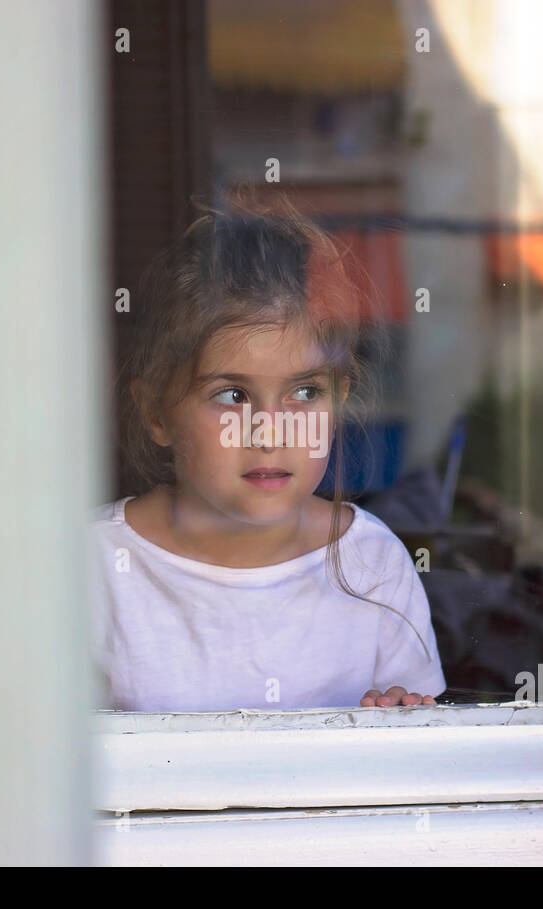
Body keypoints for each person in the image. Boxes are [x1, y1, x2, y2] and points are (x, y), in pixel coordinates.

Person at [91, 193, 445, 712]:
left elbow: (424, 765)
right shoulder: (93, 567)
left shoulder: (373, 562)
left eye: (304, 393)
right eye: (232, 396)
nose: (269, 432)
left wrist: (402, 724)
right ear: (157, 414)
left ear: (339, 397)